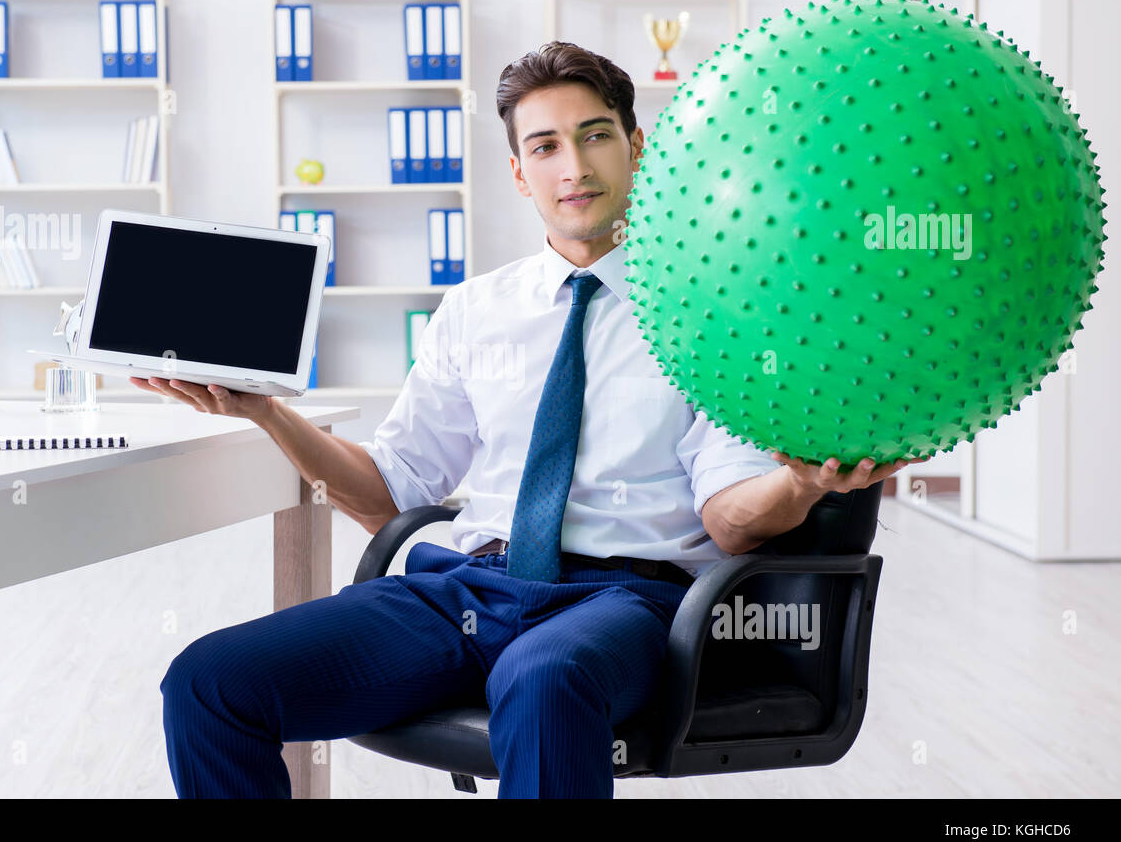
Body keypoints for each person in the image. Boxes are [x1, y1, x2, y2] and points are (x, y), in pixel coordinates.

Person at [135, 41, 927, 798]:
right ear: (519, 172)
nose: (574, 167)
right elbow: (388, 491)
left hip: (620, 600)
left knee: (543, 677)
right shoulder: (476, 309)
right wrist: (268, 412)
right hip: (469, 587)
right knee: (209, 684)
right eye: (545, 147)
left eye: (594, 137)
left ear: (637, 147)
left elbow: (729, 517)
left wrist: (797, 483)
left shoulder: (711, 316)